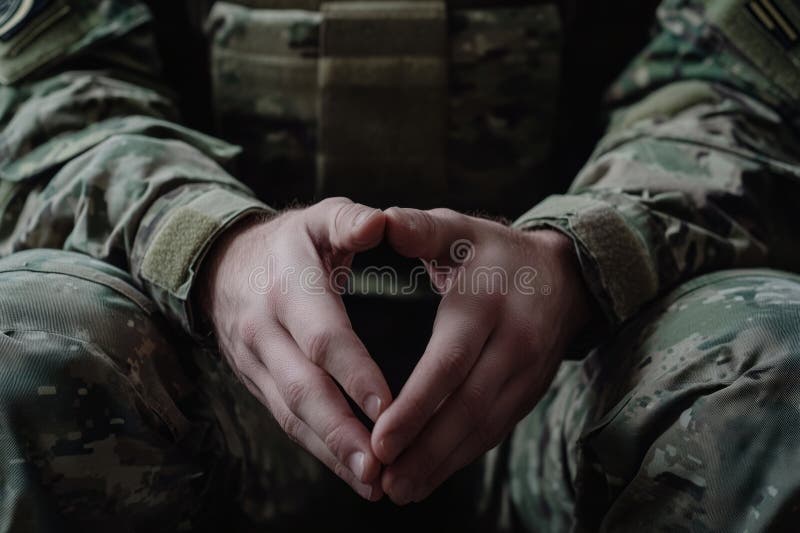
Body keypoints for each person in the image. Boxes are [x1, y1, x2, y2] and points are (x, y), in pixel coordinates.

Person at [1, 0, 799, 531]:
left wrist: (581, 254)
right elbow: (50, 87)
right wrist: (210, 245)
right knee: (22, 343)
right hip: (206, 360)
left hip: (579, 365)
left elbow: (735, 84)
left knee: (774, 357)